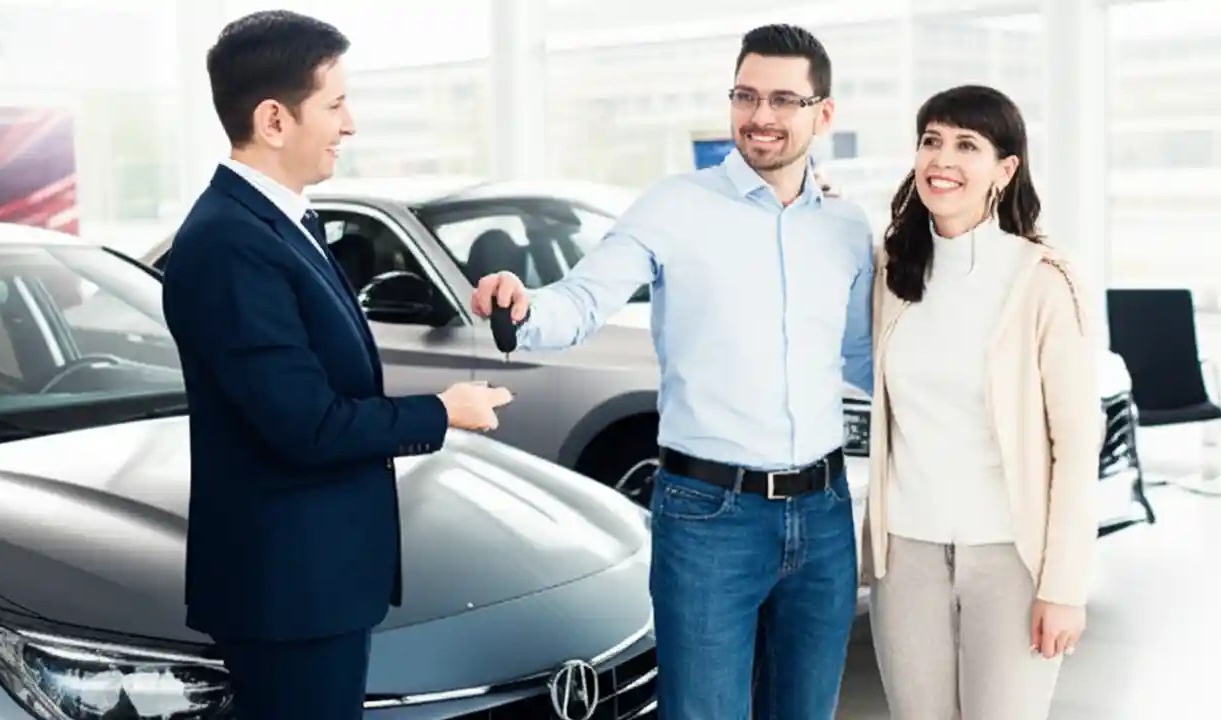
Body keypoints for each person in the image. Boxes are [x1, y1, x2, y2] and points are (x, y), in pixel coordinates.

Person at [472, 24, 873, 720]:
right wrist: (521, 305)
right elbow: (579, 301)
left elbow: (871, 358)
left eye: (783, 99)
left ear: (823, 113)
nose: (761, 117)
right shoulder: (674, 206)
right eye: (746, 96)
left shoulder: (844, 228)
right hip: (710, 516)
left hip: (825, 513)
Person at [160, 11, 511, 720]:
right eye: (335, 104)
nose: (350, 125)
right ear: (273, 120)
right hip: (287, 592)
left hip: (316, 584)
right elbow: (305, 425)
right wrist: (443, 412)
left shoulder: (283, 221)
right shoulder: (228, 243)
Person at [860, 84, 1101, 720]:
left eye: (967, 144)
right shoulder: (892, 271)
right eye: (931, 141)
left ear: (1005, 168)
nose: (943, 159)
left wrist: (1064, 588)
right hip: (905, 556)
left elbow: (1078, 446)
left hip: (1010, 559)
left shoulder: (1042, 279)